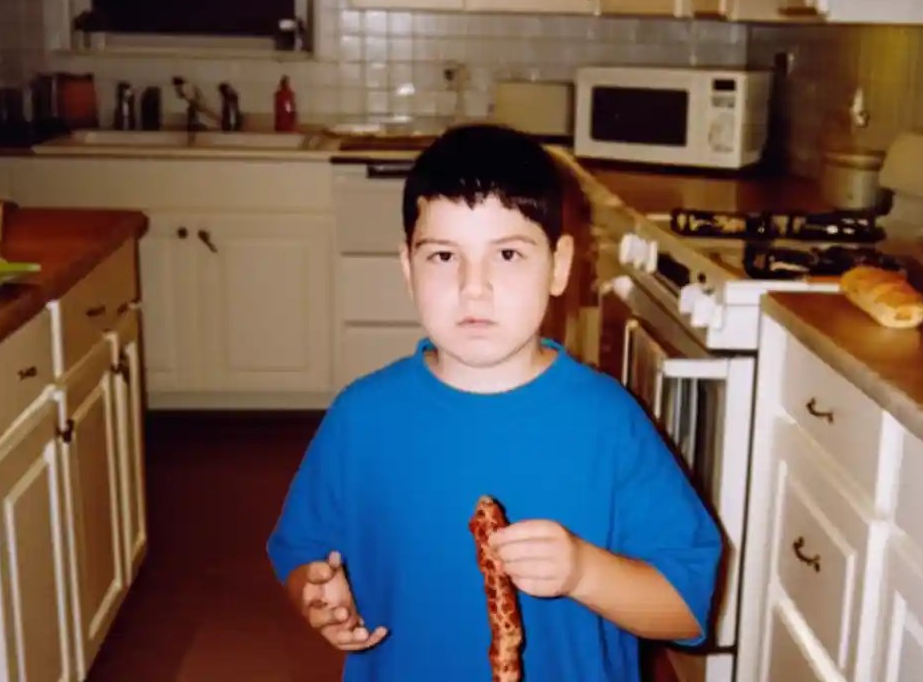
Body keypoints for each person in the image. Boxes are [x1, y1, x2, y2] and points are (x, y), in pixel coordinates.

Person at [267, 123, 722, 681]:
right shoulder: (361, 419)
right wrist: (316, 595)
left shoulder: (608, 423)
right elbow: (302, 553)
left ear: (557, 267)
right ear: (408, 269)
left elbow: (684, 605)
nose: (473, 285)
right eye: (442, 257)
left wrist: (584, 571)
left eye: (507, 254)